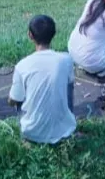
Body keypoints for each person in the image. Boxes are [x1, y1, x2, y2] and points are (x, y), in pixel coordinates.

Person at [8, 14, 76, 145]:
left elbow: (14, 100)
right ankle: (66, 118)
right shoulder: (66, 60)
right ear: (54, 34)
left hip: (31, 133)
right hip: (65, 130)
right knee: (67, 85)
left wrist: (11, 99)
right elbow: (69, 90)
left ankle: (29, 132)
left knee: (19, 95)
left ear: (30, 35)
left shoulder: (22, 65)